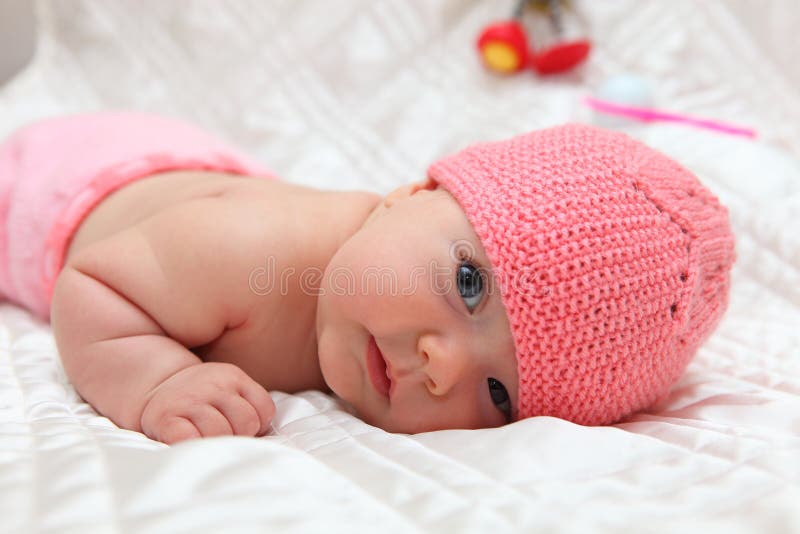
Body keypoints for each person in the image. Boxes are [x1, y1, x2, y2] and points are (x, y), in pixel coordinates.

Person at [0, 112, 735, 444]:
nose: (444, 367)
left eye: (500, 396)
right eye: (471, 286)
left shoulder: (373, 292)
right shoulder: (243, 252)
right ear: (415, 192)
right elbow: (90, 284)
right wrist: (156, 381)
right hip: (55, 182)